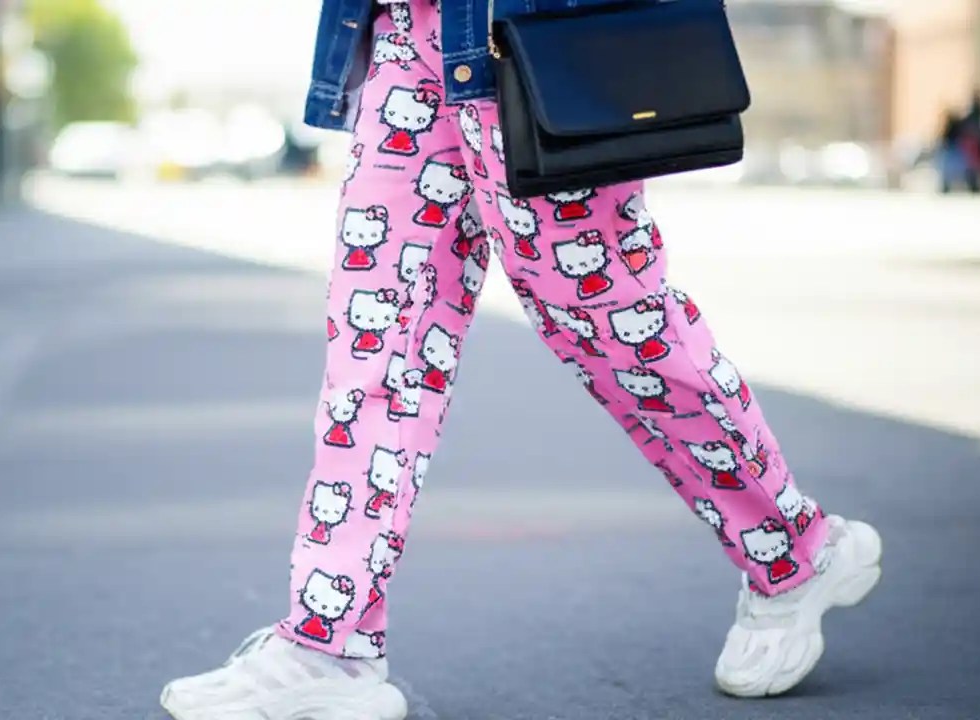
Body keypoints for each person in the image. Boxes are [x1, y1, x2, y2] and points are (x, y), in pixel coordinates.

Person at [160, 2, 883, 718]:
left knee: (619, 331)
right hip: (402, 40)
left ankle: (795, 550)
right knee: (373, 350)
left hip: (533, 31)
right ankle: (329, 645)